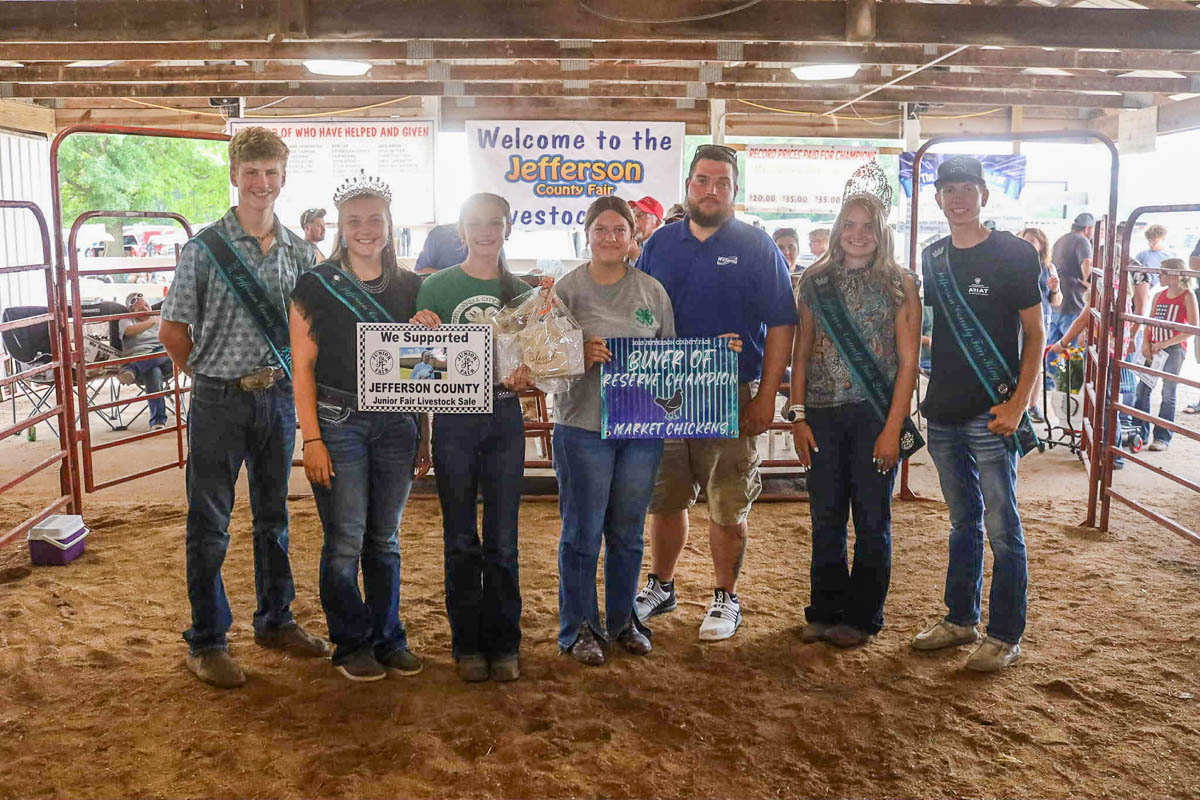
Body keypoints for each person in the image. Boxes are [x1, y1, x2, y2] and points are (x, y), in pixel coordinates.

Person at [159, 126, 329, 689]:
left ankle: (275, 620)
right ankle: (207, 639)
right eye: (251, 172)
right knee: (209, 522)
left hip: (278, 399)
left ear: (283, 178)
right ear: (235, 175)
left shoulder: (302, 252)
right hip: (219, 398)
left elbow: (314, 329)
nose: (261, 182)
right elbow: (173, 331)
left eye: (271, 173)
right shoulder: (203, 249)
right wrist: (210, 376)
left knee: (273, 516)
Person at [633, 144, 797, 642]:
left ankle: (726, 596)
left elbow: (782, 322)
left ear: (734, 190)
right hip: (664, 389)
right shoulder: (659, 243)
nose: (711, 190)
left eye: (722, 182)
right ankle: (662, 584)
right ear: (688, 185)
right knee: (666, 497)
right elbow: (641, 312)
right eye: (703, 180)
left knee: (728, 502)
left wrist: (767, 394)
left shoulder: (756, 244)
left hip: (730, 390)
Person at [288, 174, 430, 682]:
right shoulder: (315, 285)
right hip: (338, 420)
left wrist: (423, 433)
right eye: (355, 221)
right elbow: (301, 365)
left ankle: (389, 637)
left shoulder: (415, 288)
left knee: (385, 539)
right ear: (339, 229)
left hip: (397, 424)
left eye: (375, 220)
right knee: (345, 538)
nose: (366, 229)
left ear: (390, 227)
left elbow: (425, 373)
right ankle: (351, 643)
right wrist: (311, 440)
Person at [911, 156, 1044, 672]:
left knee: (1003, 526)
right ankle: (960, 618)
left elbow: (1035, 333)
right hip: (942, 409)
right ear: (939, 197)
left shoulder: (1014, 253)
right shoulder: (932, 256)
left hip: (993, 411)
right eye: (949, 189)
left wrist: (1020, 403)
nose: (958, 197)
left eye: (968, 188)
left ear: (984, 195)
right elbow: (936, 328)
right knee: (962, 521)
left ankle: (1005, 633)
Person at [790, 193, 920, 649]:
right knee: (825, 515)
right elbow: (800, 351)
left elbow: (908, 362)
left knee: (871, 517)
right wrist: (798, 414)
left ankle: (864, 616)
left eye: (868, 225)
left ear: (882, 230)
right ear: (838, 227)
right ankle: (824, 609)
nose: (858, 234)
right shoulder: (814, 280)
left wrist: (892, 428)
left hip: (874, 414)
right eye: (850, 224)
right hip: (821, 413)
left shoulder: (902, 283)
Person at [413, 193, 534, 682]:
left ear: (509, 227)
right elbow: (420, 369)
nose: (486, 231)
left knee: (503, 540)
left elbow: (539, 364)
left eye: (495, 223)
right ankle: (466, 643)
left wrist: (531, 374)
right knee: (460, 538)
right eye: (476, 223)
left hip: (505, 419)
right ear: (460, 230)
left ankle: (504, 642)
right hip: (455, 422)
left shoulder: (525, 292)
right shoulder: (437, 288)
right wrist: (423, 332)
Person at [552, 196, 677, 666]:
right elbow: (543, 365)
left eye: (618, 230)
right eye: (600, 229)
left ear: (633, 237)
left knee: (627, 532)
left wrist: (714, 356)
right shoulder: (565, 291)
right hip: (582, 425)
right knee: (582, 532)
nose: (609, 238)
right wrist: (578, 354)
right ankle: (578, 627)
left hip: (640, 429)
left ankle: (624, 620)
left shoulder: (652, 292)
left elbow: (670, 360)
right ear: (587, 235)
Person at [1132, 259, 1197, 451]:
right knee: (1143, 388)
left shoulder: (1187, 296)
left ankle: (1162, 436)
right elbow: (1150, 321)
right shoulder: (1159, 295)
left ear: (1175, 275)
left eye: (1162, 273)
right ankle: (1139, 431)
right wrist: (1146, 342)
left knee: (1168, 392)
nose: (1159, 276)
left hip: (1173, 349)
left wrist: (1166, 343)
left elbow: (1192, 328)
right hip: (1154, 348)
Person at [1018, 227, 1060, 422]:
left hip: (1042, 318)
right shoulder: (1013, 264)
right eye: (1025, 240)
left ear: (1041, 246)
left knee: (1036, 363)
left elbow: (1057, 301)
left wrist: (1055, 288)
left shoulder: (1049, 268)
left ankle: (1032, 405)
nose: (1028, 245)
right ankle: (1017, 404)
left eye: (1033, 241)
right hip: (1017, 319)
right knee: (1017, 361)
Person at [117, 291, 174, 430]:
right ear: (132, 311)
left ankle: (132, 370)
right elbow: (129, 331)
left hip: (165, 359)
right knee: (153, 373)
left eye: (147, 306)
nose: (146, 309)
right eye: (141, 309)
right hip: (143, 359)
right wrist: (152, 322)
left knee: (165, 351)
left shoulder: (159, 317)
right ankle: (158, 421)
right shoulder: (126, 320)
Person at [1048, 212, 1094, 352]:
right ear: (1087, 229)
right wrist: (1091, 282)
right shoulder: (1082, 241)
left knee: (1051, 352)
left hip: (1056, 303)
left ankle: (1049, 375)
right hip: (1073, 304)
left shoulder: (1060, 240)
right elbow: (1086, 262)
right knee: (1075, 353)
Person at [626, 195, 664, 264]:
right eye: (633, 215)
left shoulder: (663, 248)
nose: (634, 220)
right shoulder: (634, 244)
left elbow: (657, 273)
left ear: (656, 223)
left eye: (640, 215)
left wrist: (636, 257)